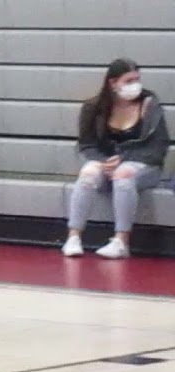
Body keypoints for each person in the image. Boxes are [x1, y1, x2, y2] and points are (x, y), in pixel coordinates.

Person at [62, 58, 170, 259]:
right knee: (88, 173)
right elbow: (87, 145)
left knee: (123, 174)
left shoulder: (150, 105)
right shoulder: (93, 108)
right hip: (108, 161)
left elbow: (158, 148)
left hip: (144, 165)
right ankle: (74, 236)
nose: (135, 85)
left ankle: (121, 241)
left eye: (137, 80)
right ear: (113, 83)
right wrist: (103, 161)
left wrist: (121, 160)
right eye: (128, 81)